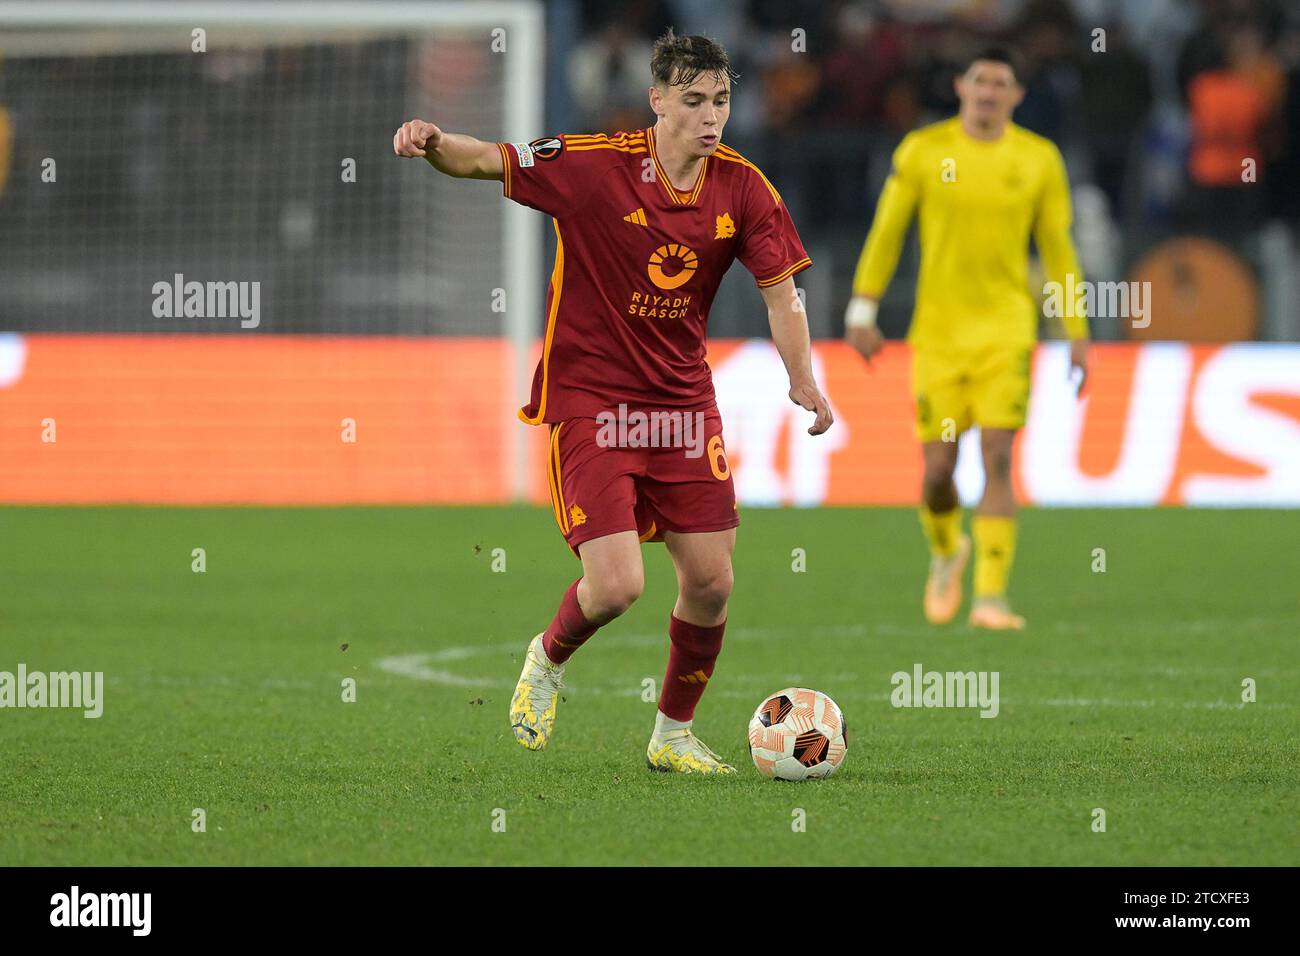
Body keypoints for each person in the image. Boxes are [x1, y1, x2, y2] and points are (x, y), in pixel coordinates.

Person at [393, 30, 832, 772]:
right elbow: (485, 159)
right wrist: (433, 141)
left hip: (683, 406)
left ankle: (672, 736)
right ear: (657, 101)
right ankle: (547, 656)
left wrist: (803, 377)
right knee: (619, 584)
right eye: (693, 101)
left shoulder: (745, 188)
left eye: (720, 100)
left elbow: (782, 295)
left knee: (713, 581)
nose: (710, 116)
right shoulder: (595, 167)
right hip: (595, 401)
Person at [844, 47, 1089, 631]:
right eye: (980, 80)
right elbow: (887, 231)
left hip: (1007, 328)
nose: (988, 91)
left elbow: (1057, 247)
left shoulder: (1037, 159)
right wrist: (862, 308)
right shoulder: (924, 151)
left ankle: (991, 597)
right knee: (937, 471)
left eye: (1001, 83)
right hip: (939, 333)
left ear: (1017, 96)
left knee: (999, 456)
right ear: (961, 86)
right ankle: (948, 548)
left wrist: (1075, 328)